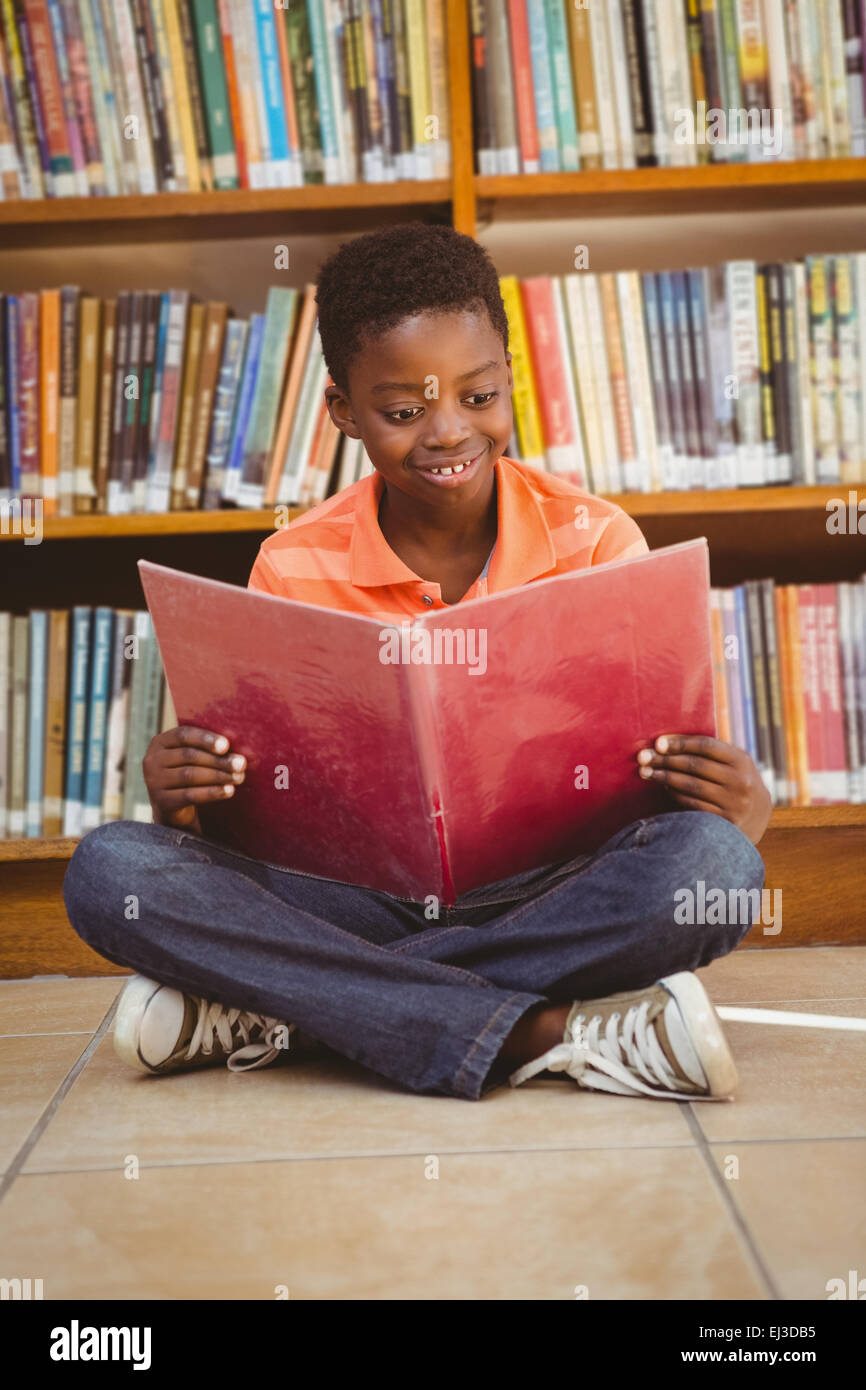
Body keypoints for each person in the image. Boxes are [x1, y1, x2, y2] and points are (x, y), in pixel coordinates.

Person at [62, 223, 771, 1102]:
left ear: (510, 378)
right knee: (112, 873)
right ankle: (545, 1032)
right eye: (404, 413)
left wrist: (742, 805)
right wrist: (185, 805)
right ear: (343, 413)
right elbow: (269, 815)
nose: (449, 434)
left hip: (551, 892)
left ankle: (286, 1010)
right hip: (357, 899)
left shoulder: (598, 540)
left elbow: (662, 773)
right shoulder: (291, 564)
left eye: (478, 397)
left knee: (718, 872)